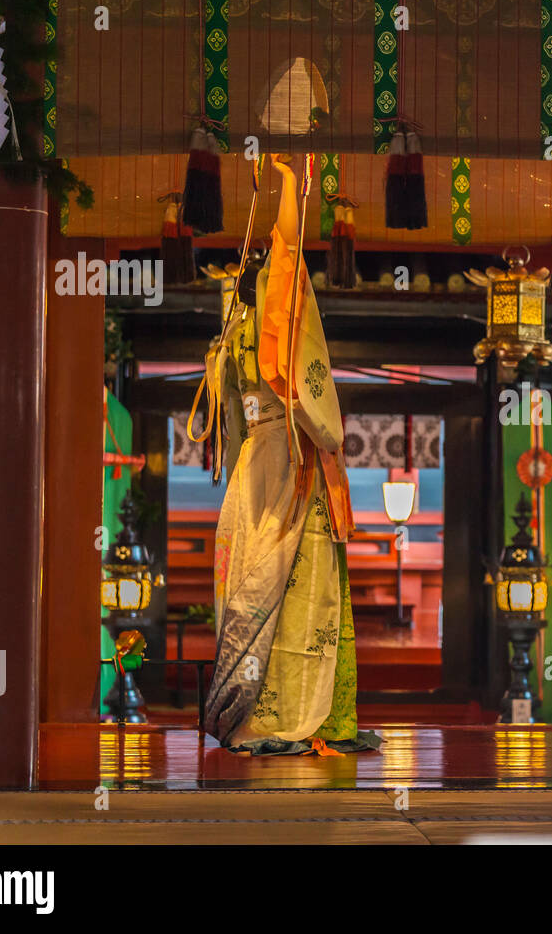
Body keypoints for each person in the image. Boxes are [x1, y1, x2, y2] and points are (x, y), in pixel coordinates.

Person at [200, 154, 377, 755]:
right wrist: (290, 185)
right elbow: (287, 253)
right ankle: (287, 714)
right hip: (286, 461)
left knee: (254, 587)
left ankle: (256, 710)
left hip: (253, 462)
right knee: (301, 589)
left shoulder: (230, 341)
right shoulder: (272, 327)